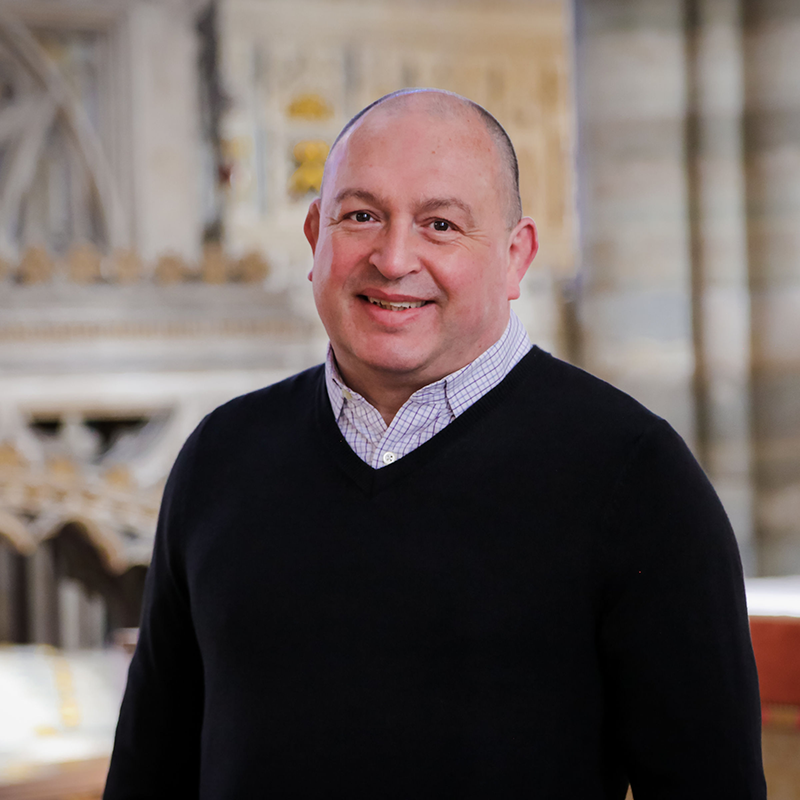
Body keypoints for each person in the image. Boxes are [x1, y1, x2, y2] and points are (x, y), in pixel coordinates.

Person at [104, 89, 765, 799]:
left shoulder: (636, 478)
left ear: (516, 259)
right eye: (360, 216)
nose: (393, 259)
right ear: (312, 237)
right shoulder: (220, 457)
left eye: (440, 225)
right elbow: (150, 773)